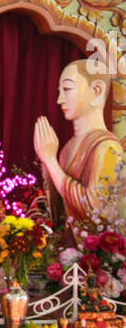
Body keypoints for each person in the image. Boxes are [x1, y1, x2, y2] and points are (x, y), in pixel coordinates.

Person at [34, 59, 123, 230]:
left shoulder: (107, 147)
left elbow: (98, 211)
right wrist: (47, 163)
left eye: (67, 89)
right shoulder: (66, 149)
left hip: (92, 252)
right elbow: (59, 213)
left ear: (97, 90)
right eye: (59, 91)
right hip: (66, 249)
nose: (59, 100)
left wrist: (51, 161)